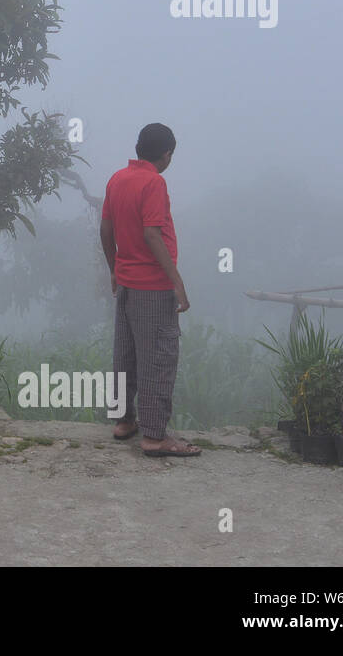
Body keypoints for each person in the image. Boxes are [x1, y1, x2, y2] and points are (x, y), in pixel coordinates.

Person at [99, 123, 200, 457]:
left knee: (125, 354)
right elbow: (152, 234)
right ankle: (155, 437)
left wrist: (114, 269)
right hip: (153, 287)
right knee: (158, 357)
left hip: (127, 281)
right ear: (167, 154)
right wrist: (177, 281)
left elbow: (105, 228)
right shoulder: (154, 182)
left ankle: (123, 421)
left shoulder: (118, 179)